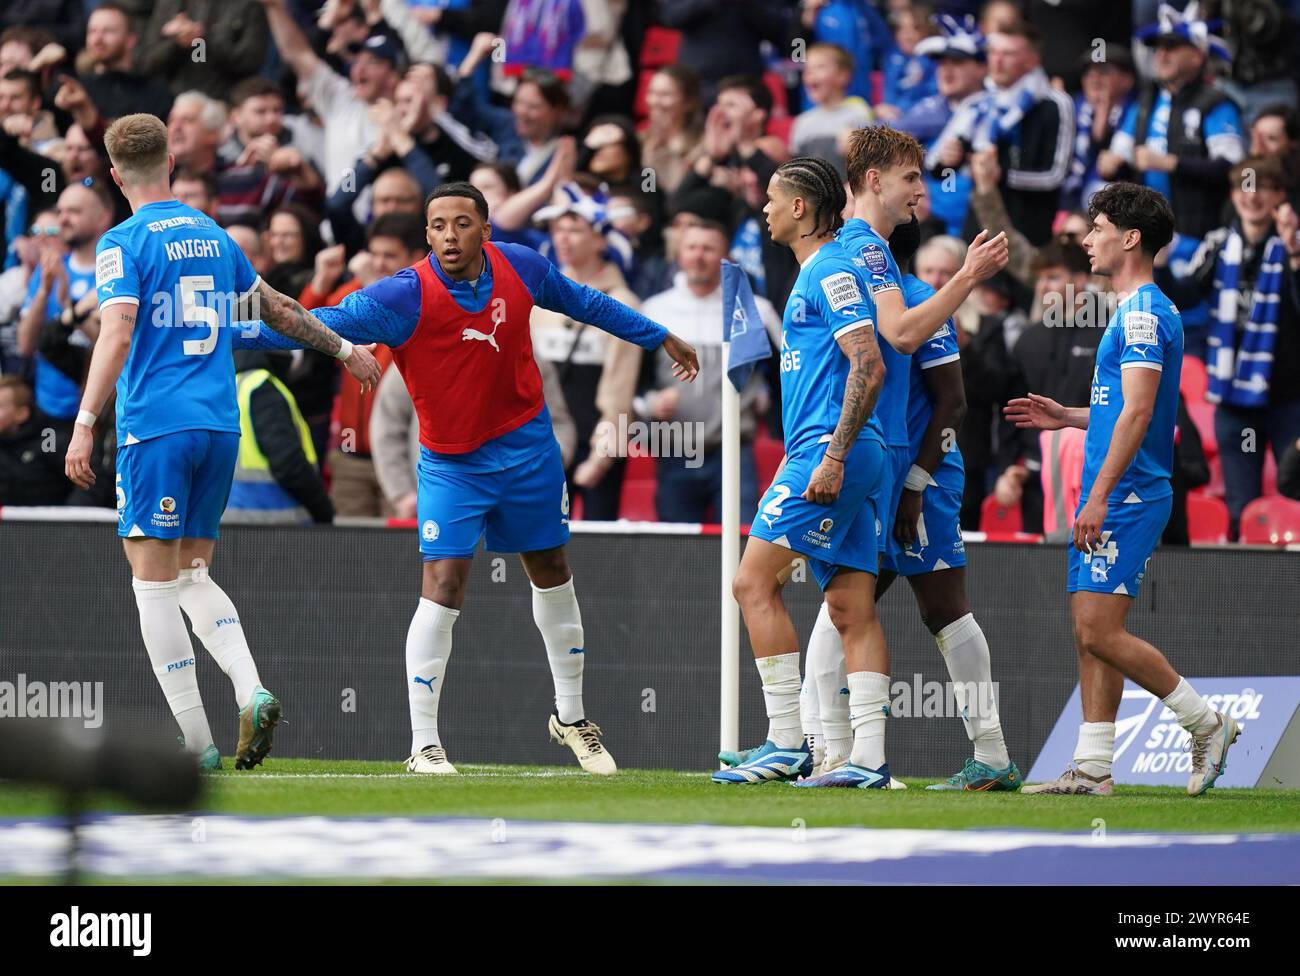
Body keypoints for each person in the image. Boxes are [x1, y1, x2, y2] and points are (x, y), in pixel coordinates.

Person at [234, 180, 699, 775]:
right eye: (436, 226)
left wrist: (658, 335)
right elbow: (319, 321)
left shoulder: (522, 266)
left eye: (461, 223)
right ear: (426, 234)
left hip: (529, 448)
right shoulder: (404, 297)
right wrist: (218, 328)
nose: (448, 236)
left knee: (552, 570)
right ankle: (424, 745)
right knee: (444, 582)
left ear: (485, 228)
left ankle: (572, 719)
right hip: (453, 462)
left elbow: (588, 302)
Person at [64, 113, 380, 771]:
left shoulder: (121, 242)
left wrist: (85, 421)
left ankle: (198, 743)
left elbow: (117, 333)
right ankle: (251, 686)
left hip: (154, 426)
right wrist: (346, 349)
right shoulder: (211, 234)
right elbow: (280, 309)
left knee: (152, 586)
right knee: (192, 574)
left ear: (117, 176)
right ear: (170, 168)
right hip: (218, 424)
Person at [1006, 182, 1240, 796]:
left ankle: (1206, 722)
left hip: (1130, 493)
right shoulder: (1138, 309)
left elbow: (1138, 416)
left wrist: (1099, 494)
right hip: (1121, 486)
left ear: (1130, 238)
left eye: (1098, 227)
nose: (1088, 240)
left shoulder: (1140, 312)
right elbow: (1129, 410)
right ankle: (1092, 769)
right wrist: (1071, 416)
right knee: (1091, 632)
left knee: (1096, 631)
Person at [712, 156, 892, 789]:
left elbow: (869, 365)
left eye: (771, 198)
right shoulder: (815, 272)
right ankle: (868, 758)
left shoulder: (833, 270)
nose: (762, 209)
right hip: (846, 453)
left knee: (752, 584)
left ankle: (787, 741)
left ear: (799, 208)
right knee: (850, 607)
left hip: (828, 453)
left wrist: (833, 456)